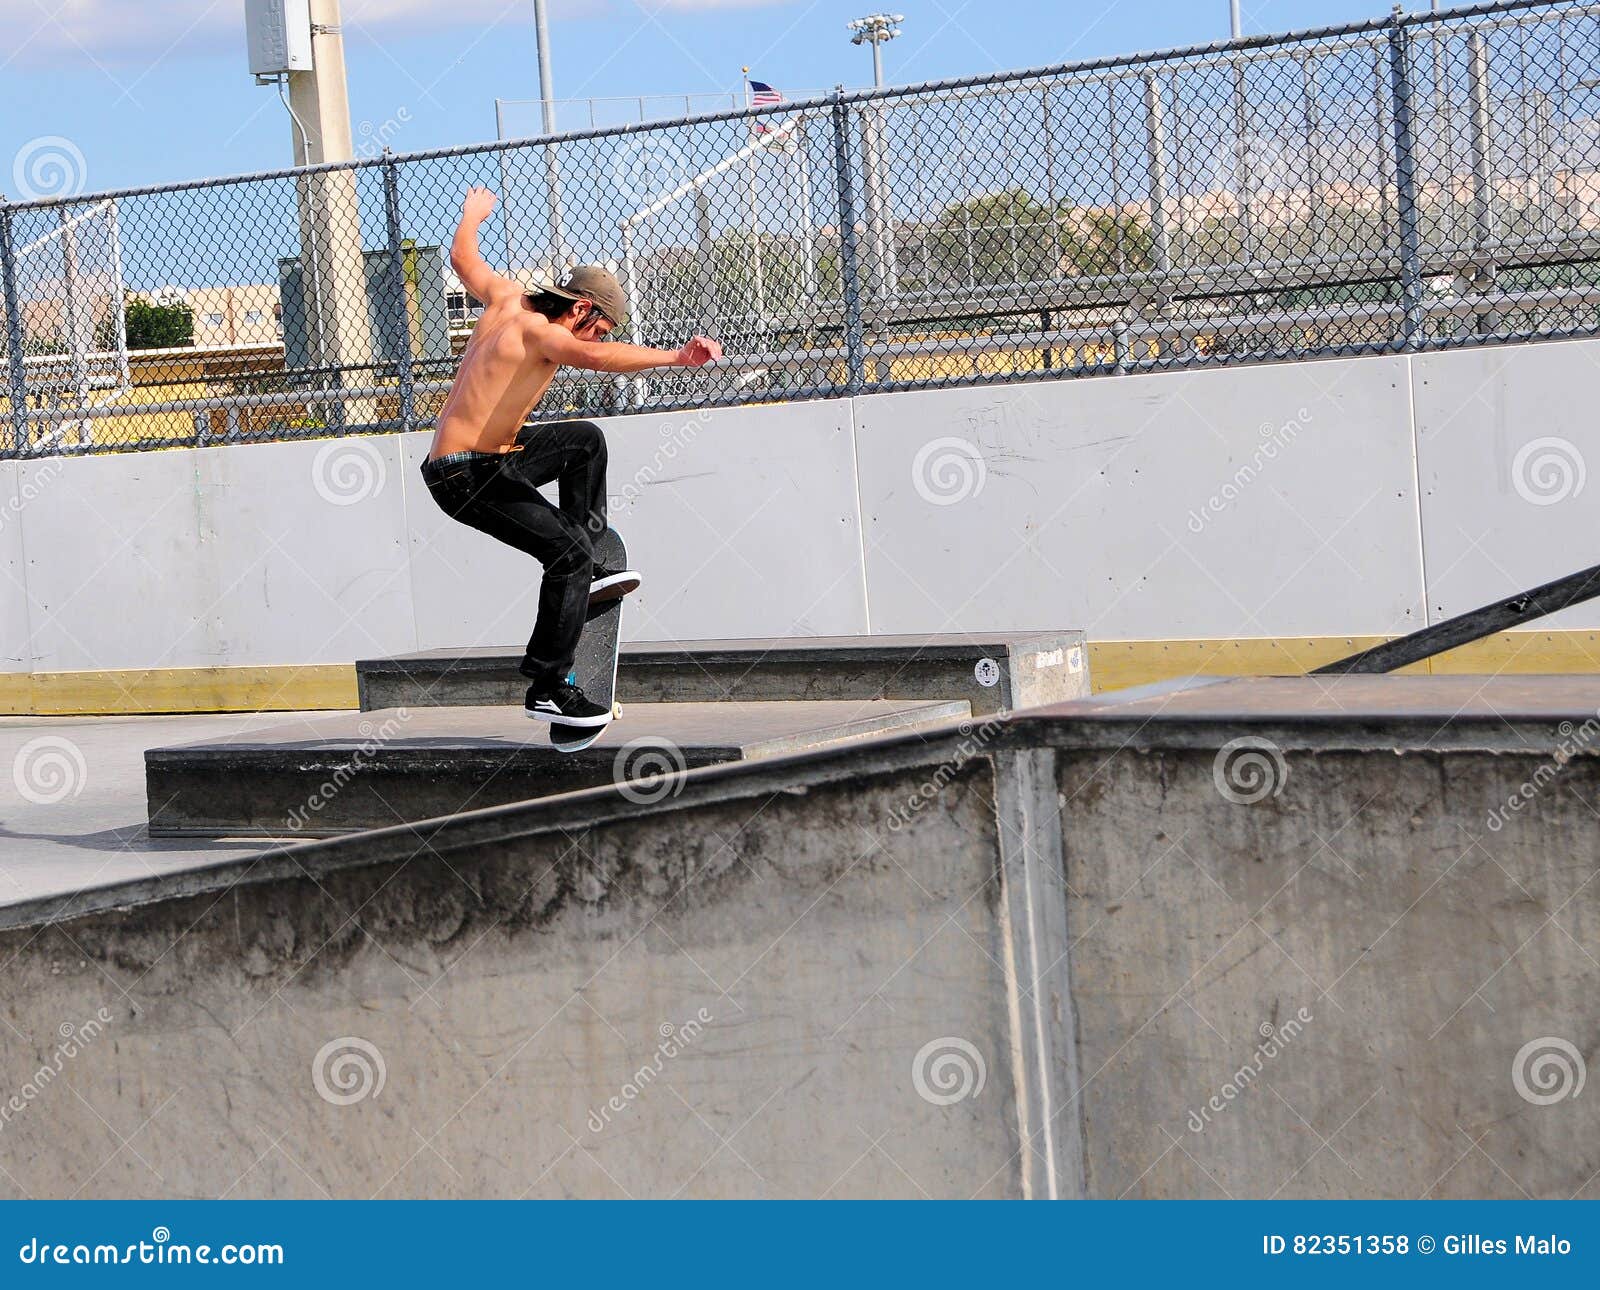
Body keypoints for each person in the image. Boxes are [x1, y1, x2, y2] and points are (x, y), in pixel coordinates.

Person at [421, 186, 722, 727]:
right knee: (563, 556)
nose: (601, 333)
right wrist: (676, 357)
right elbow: (596, 356)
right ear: (581, 307)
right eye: (600, 323)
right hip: (464, 477)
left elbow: (463, 258)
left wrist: (472, 216)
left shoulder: (505, 297)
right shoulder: (543, 333)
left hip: (494, 460)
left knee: (584, 440)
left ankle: (592, 557)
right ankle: (548, 686)